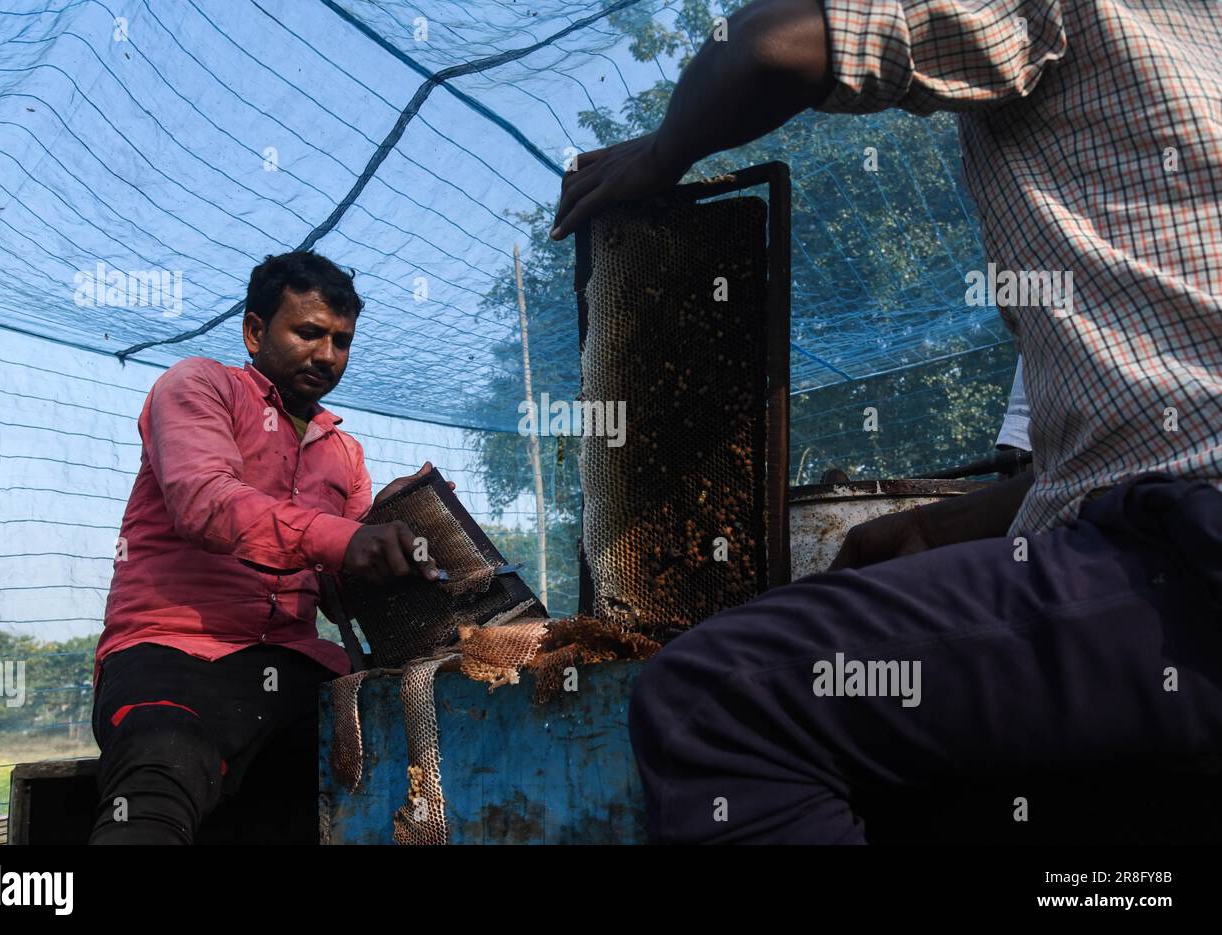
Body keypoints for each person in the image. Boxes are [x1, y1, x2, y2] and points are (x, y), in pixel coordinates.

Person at [553, 0, 1222, 842]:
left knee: (720, 697)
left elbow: (770, 47)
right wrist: (952, 523)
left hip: (1189, 557)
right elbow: (1156, 431)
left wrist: (660, 154)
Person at [90, 250, 444, 844]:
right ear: (255, 331)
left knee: (402, 768)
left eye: (341, 341)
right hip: (173, 655)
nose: (327, 355)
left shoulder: (344, 452)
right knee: (162, 770)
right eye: (308, 333)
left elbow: (341, 590)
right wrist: (347, 538)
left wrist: (403, 532)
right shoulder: (198, 385)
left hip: (296, 668)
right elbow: (206, 502)